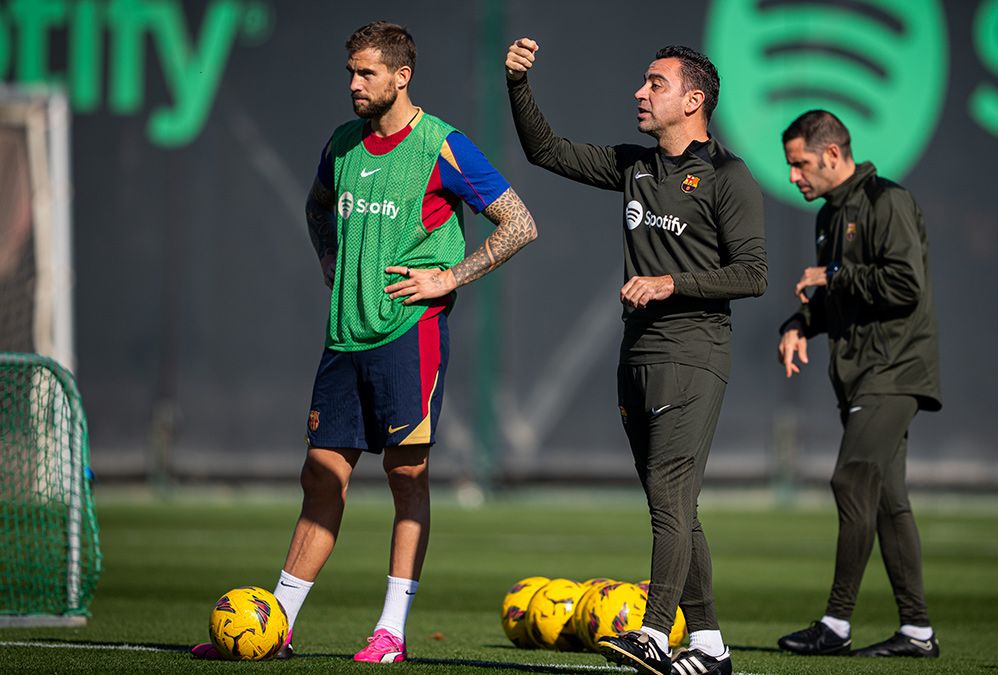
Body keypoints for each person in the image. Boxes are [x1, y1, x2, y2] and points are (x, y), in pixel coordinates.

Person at [192, 20, 537, 663]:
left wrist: (451, 276)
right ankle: (276, 624)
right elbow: (316, 207)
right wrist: (330, 260)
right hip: (344, 339)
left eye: (366, 72)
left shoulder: (443, 145)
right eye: (350, 71)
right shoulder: (342, 143)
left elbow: (520, 222)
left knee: (407, 476)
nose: (353, 83)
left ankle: (391, 630)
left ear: (401, 77)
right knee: (321, 479)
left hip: (410, 336)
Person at [504, 38, 767, 675]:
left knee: (669, 499)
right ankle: (709, 647)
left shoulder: (728, 178)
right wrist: (518, 84)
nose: (640, 93)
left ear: (693, 100)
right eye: (643, 83)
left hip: (694, 351)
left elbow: (754, 273)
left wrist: (670, 283)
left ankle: (653, 633)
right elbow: (546, 150)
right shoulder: (634, 165)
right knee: (673, 502)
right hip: (638, 352)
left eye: (655, 84)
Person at [774, 110, 942, 658]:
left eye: (799, 164)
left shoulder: (885, 202)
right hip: (860, 373)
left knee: (850, 483)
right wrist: (800, 323)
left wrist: (836, 275)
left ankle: (836, 624)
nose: (794, 176)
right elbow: (837, 298)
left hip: (894, 370)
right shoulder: (828, 216)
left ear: (831, 155)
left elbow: (905, 285)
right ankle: (917, 632)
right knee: (888, 501)